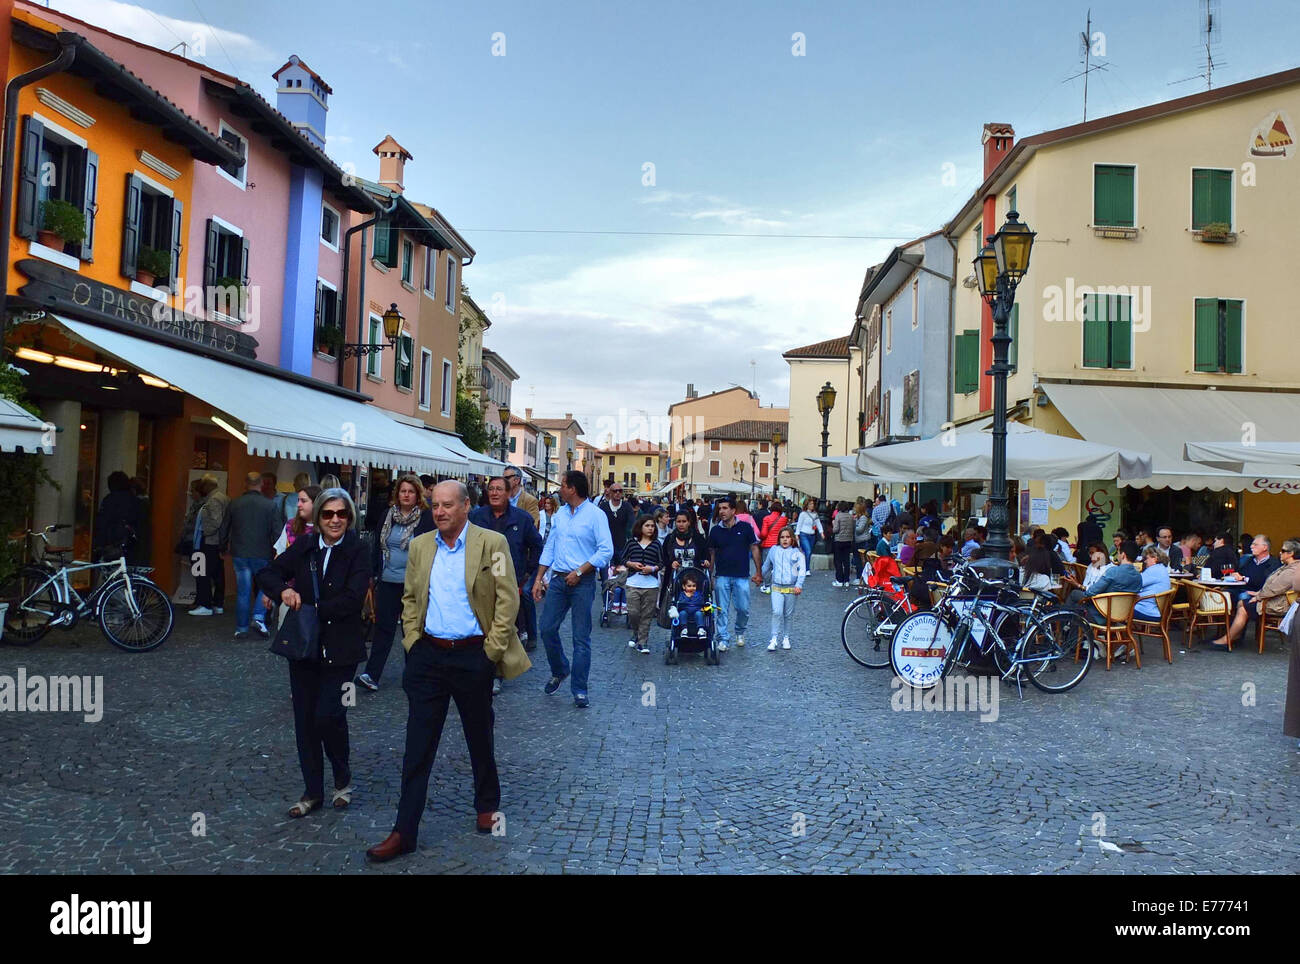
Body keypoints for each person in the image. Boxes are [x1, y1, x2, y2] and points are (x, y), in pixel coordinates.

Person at [365, 481, 529, 863]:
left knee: (478, 734)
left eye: (447, 505)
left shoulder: (492, 543)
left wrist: (491, 651)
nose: (438, 512)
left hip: (474, 655)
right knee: (417, 744)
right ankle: (404, 831)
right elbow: (409, 597)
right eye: (434, 505)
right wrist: (412, 641)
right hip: (428, 658)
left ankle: (487, 804)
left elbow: (508, 597)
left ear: (466, 507)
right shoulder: (421, 545)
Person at [256, 487, 371, 818]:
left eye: (341, 514)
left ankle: (342, 778)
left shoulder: (358, 550)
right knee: (305, 720)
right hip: (304, 647)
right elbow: (268, 572)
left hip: (340, 648)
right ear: (318, 517)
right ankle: (312, 790)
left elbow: (353, 598)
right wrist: (284, 590)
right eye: (328, 514)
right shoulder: (306, 546)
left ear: (349, 517)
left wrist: (312, 607)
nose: (335, 520)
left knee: (328, 715)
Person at [533, 470, 614, 708]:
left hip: (583, 581)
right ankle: (560, 669)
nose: (559, 489)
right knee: (546, 628)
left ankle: (579, 689)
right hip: (558, 579)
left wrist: (580, 571)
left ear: (573, 489)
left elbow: (605, 550)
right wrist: (539, 578)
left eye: (563, 485)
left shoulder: (596, 515)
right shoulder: (559, 514)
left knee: (581, 637)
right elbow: (550, 547)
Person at [357, 474, 435, 692]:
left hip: (414, 583)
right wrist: (373, 575)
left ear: (417, 494)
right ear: (397, 494)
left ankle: (413, 675)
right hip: (388, 580)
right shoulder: (387, 515)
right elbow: (377, 545)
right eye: (403, 491)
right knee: (383, 629)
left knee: (412, 630)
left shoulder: (426, 518)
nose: (406, 495)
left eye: (410, 491)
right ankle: (371, 674)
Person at [470, 476, 542, 679]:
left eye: (499, 489)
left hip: (509, 580)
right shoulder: (476, 517)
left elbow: (536, 546)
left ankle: (497, 672)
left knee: (504, 626)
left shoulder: (522, 518)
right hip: (480, 580)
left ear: (509, 493)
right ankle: (482, 668)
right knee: (482, 626)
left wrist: (527, 572)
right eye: (491, 489)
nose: (494, 493)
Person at [1213, 538, 1300, 652]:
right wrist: (1257, 593)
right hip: (1270, 599)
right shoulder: (1286, 566)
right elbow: (1271, 586)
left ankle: (1227, 639)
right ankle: (1235, 635)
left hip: (1276, 604)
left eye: (1283, 550)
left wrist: (1257, 596)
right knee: (1238, 600)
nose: (1280, 552)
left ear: (1291, 553)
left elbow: (1274, 588)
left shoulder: (1291, 570)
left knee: (1244, 605)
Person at [228, 471, 285, 640]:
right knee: (266, 587)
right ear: (261, 484)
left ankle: (241, 628)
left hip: (240, 552)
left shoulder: (234, 503)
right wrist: (278, 551)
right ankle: (259, 617)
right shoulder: (270, 505)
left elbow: (226, 526)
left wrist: (223, 545)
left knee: (243, 591)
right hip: (262, 552)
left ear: (245, 484)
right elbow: (277, 531)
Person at [706, 496, 763, 652]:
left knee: (743, 608)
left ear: (733, 510)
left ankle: (740, 631)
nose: (722, 511)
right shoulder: (715, 530)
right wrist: (709, 575)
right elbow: (711, 553)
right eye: (720, 508)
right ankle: (723, 638)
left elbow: (754, 548)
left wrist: (758, 571)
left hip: (741, 575)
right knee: (721, 609)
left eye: (725, 508)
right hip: (722, 575)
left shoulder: (745, 527)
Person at [1066, 539, 1143, 631]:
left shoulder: (1113, 571)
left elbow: (1090, 592)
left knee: (1075, 598)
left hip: (1101, 615)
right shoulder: (1139, 576)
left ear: (1123, 555)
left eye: (1118, 552)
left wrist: (1079, 586)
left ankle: (1064, 629)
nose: (1117, 555)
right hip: (1123, 617)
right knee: (1077, 607)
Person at [619, 515, 663, 655]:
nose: (650, 528)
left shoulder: (656, 544)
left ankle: (642, 642)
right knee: (633, 612)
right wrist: (631, 564)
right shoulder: (632, 543)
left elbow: (661, 562)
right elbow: (623, 558)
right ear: (641, 527)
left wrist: (653, 569)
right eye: (647, 525)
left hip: (651, 585)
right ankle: (636, 633)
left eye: (652, 526)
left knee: (647, 615)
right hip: (633, 582)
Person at [189, 474, 230, 616]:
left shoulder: (213, 500)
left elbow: (216, 521)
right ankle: (218, 603)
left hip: (208, 541)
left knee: (202, 573)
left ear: (208, 485)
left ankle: (204, 604)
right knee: (218, 573)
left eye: (203, 485)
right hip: (217, 541)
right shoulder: (223, 497)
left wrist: (206, 532)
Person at [762, 525, 805, 651]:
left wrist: (799, 585)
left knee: (788, 614)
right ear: (778, 539)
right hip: (776, 587)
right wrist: (760, 576)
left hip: (791, 588)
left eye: (787, 537)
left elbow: (801, 570)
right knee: (776, 612)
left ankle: (786, 637)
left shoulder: (797, 553)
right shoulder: (773, 550)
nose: (785, 540)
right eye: (782, 537)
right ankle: (774, 638)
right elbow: (766, 566)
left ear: (792, 539)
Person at [93, 470, 142, 563]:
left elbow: (102, 523)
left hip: (112, 544)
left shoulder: (109, 500)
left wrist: (98, 545)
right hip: (131, 546)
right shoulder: (135, 501)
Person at [1134, 545, 1173, 622]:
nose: (1145, 561)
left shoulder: (1154, 570)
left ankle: (1118, 632)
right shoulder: (1160, 568)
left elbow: (1135, 583)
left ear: (1154, 558)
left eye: (1147, 558)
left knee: (1116, 610)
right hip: (1154, 609)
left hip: (1147, 610)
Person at [758, 502, 789, 594]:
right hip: (779, 545)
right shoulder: (784, 519)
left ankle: (767, 586)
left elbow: (763, 533)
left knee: (767, 566)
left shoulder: (766, 518)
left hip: (768, 545)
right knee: (778, 565)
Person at [794, 498, 823, 571]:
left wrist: (821, 532)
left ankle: (802, 566)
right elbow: (799, 524)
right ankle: (807, 569)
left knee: (807, 552)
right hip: (804, 534)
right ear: (806, 505)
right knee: (808, 551)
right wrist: (797, 534)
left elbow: (818, 523)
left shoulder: (815, 514)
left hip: (812, 535)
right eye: (810, 504)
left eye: (813, 504)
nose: (812, 505)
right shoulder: (803, 514)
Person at [831, 502, 855, 587]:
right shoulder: (850, 517)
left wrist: (833, 525)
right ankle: (847, 580)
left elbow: (836, 530)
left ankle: (839, 580)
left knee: (838, 561)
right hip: (848, 540)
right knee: (846, 561)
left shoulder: (838, 516)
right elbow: (853, 528)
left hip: (839, 540)